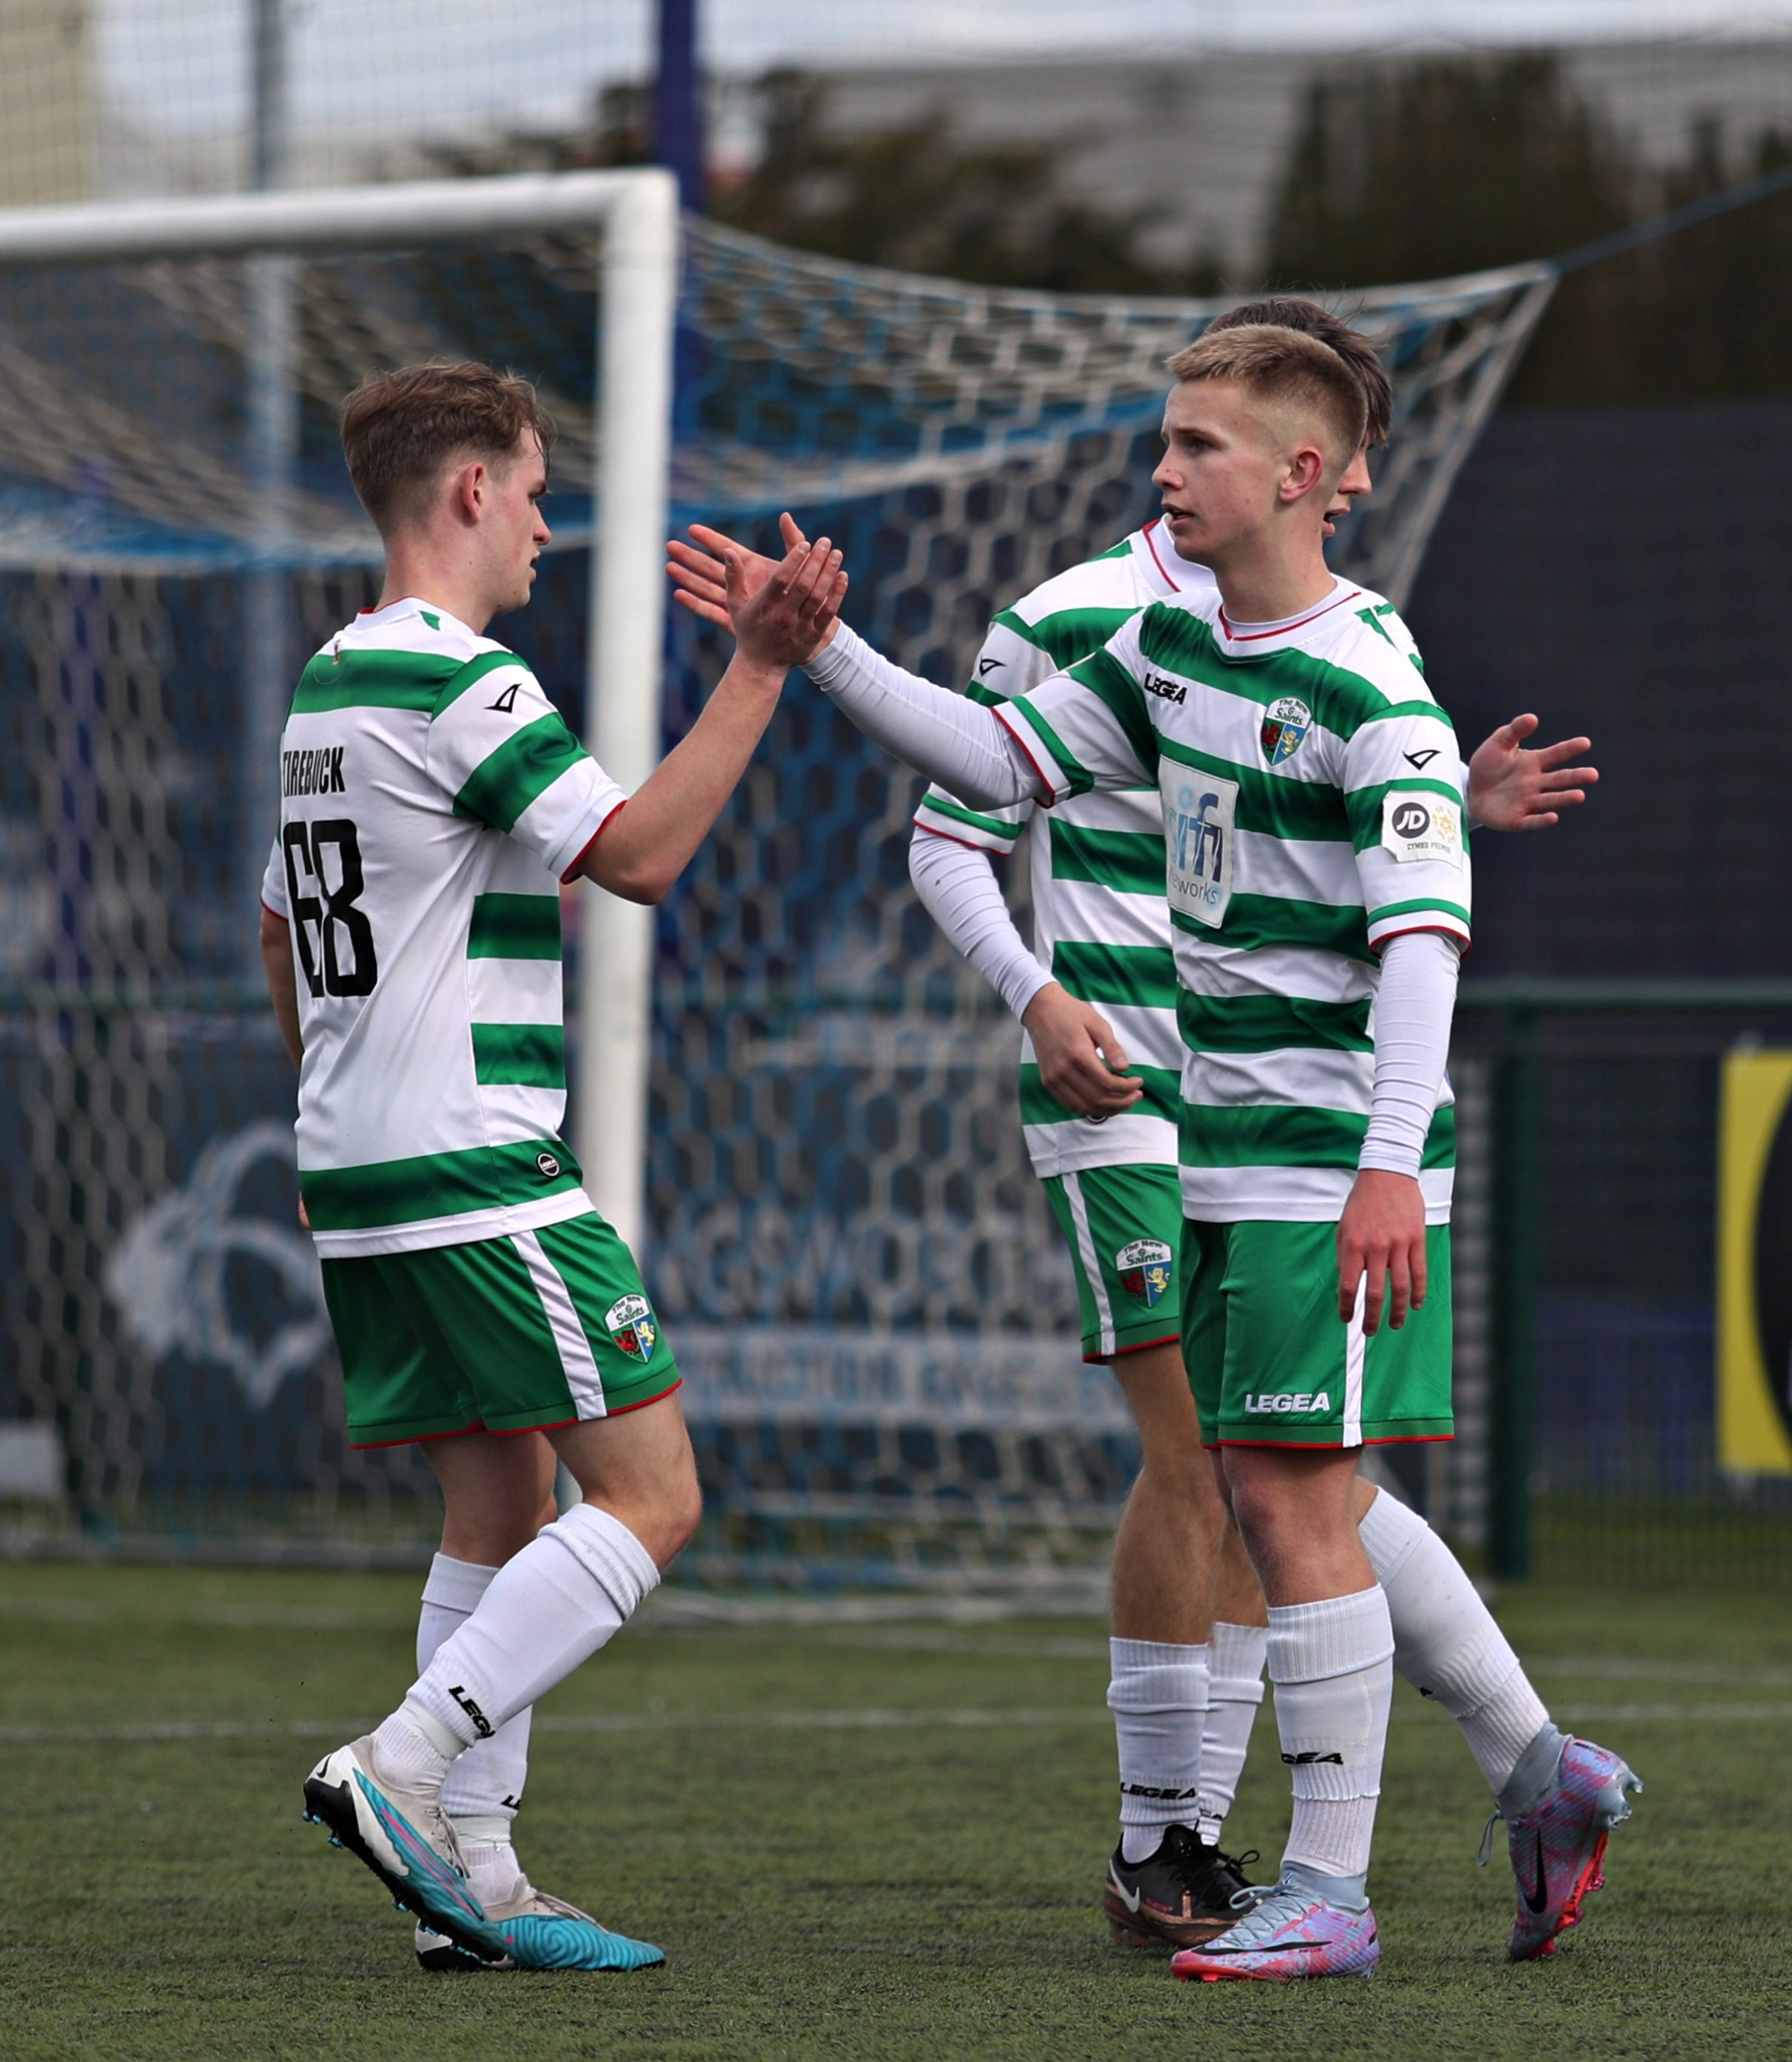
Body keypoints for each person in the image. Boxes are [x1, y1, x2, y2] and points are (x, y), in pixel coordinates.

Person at [672, 322, 1637, 1981]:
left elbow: (1423, 941)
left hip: (1328, 1157)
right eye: (1166, 439)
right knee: (1273, 1491)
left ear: (1302, 477)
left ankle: (1327, 1888)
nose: (1161, 468)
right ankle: (1527, 1776)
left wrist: (1388, 1165)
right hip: (1215, 1148)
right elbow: (991, 767)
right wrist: (819, 650)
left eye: (1195, 444)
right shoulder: (1166, 654)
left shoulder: (1374, 681)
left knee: (1290, 1503)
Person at [276, 362, 845, 1971]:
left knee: (501, 1496)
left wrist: (327, 1114)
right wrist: (761, 666)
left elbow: (276, 924)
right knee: (653, 1492)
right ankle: (399, 1762)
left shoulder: (329, 679)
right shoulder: (464, 677)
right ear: (464, 491)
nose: (542, 519)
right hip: (472, 1165)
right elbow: (647, 854)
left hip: (363, 1171)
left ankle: (476, 1888)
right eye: (530, 487)